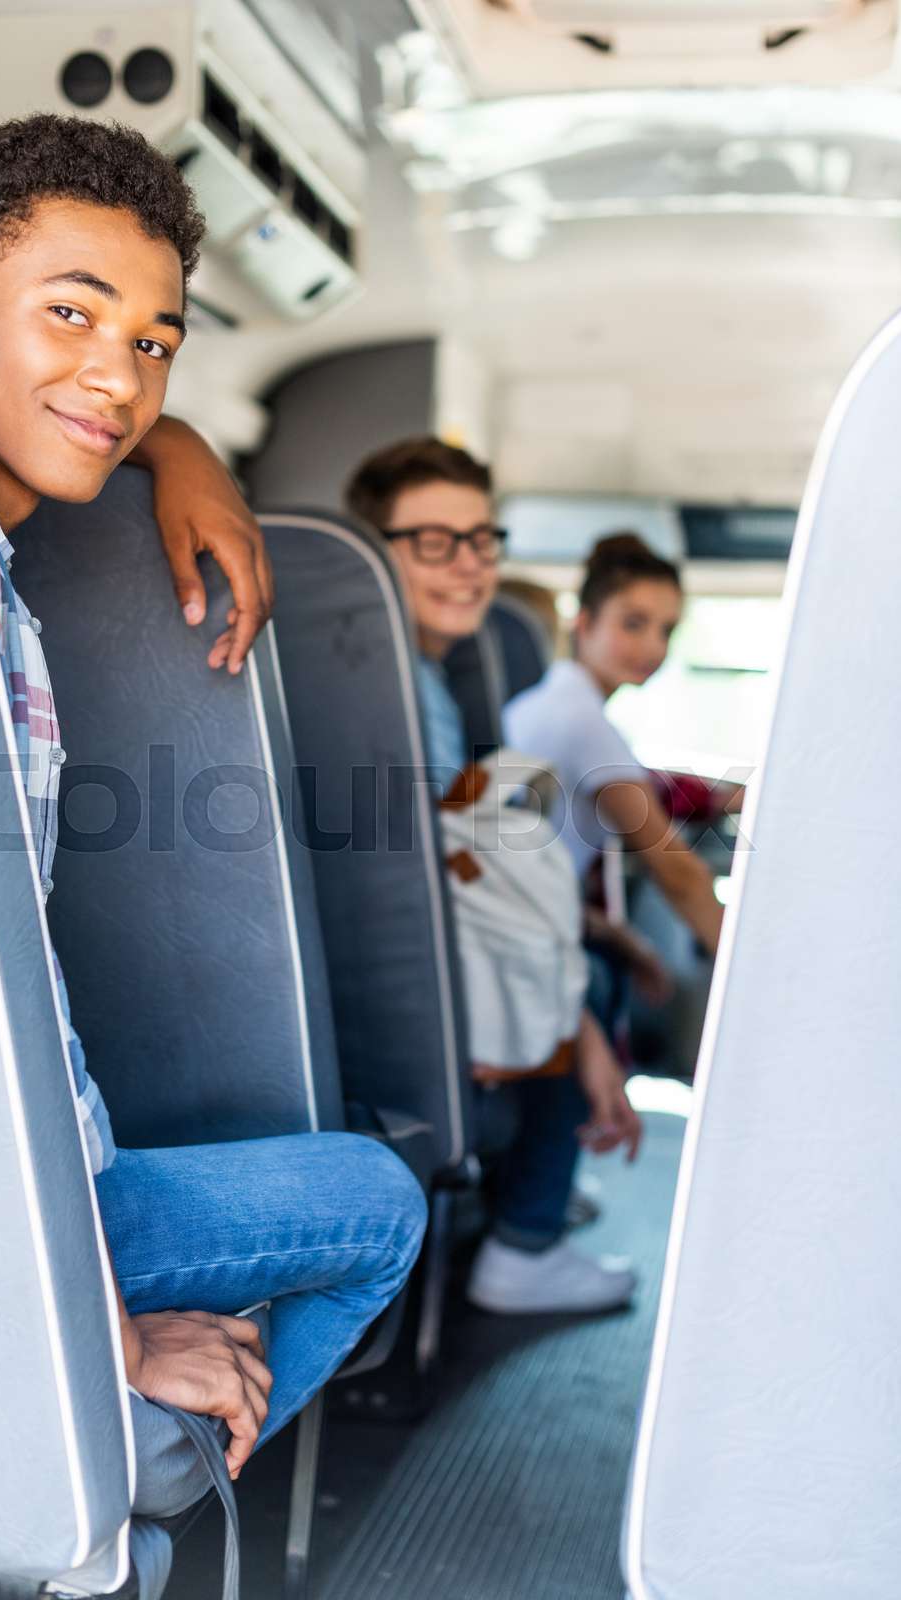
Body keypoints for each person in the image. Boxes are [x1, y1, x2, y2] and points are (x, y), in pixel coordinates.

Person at [0, 114, 426, 1600]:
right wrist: (104, 1330)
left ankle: (22, 1520)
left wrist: (180, 444)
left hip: (56, 1172)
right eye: (71, 315)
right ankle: (58, 1487)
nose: (118, 374)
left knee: (368, 1201)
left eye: (155, 343)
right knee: (359, 1230)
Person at [346, 436, 641, 1317]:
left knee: (587, 966)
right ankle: (525, 1241)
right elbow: (456, 892)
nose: (470, 564)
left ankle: (531, 1198)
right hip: (416, 999)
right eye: (435, 542)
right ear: (373, 555)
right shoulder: (400, 692)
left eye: (481, 539)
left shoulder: (412, 676)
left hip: (416, 974)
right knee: (594, 981)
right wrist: (581, 1025)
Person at [504, 533, 726, 959]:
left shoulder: (547, 702)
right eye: (633, 624)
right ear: (584, 623)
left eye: (667, 630)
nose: (654, 646)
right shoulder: (582, 720)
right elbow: (677, 874)